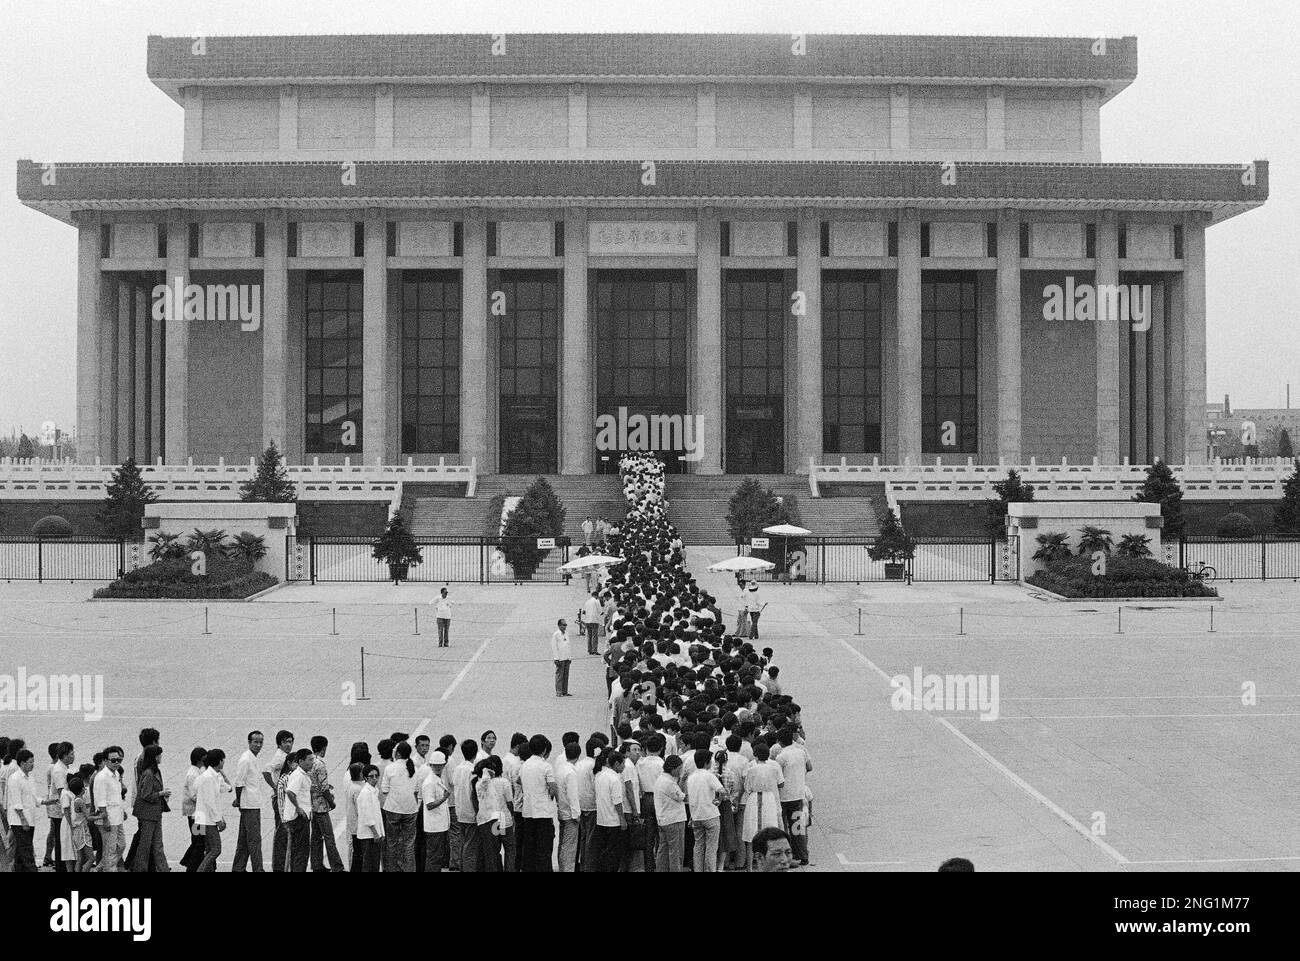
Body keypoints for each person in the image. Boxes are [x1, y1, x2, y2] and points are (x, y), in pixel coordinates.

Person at [741, 741, 783, 871]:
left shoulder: (751, 769)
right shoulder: (774, 768)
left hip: (754, 799)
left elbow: (747, 788)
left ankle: (750, 867)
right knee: (770, 833)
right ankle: (771, 865)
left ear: (756, 756)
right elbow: (781, 784)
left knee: (750, 834)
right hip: (770, 799)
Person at [518, 734, 557, 871]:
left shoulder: (524, 765)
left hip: (528, 811)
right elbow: (553, 789)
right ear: (545, 749)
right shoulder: (546, 766)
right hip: (543, 812)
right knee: (544, 849)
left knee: (529, 848)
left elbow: (519, 782)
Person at [129, 745, 170, 872]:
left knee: (157, 845)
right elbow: (145, 794)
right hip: (148, 814)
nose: (161, 757)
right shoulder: (149, 774)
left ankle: (163, 869)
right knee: (145, 845)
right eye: (159, 755)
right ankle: (140, 869)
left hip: (155, 812)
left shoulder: (155, 771)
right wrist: (161, 794)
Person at [307, 735, 344, 872]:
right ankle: (337, 867)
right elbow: (324, 787)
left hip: (312, 805)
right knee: (329, 837)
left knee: (316, 837)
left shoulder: (310, 762)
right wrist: (332, 802)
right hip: (321, 805)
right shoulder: (320, 764)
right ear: (323, 749)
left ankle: (316, 865)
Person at [776, 728, 812, 867]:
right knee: (798, 828)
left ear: (779, 741)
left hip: (784, 797)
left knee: (783, 827)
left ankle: (786, 857)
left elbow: (778, 776)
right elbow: (809, 767)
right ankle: (803, 856)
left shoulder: (781, 756)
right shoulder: (801, 752)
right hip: (798, 794)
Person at [381, 740, 419, 871]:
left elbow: (384, 790)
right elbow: (416, 790)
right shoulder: (414, 768)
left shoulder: (390, 768)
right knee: (409, 843)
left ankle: (392, 869)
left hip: (393, 808)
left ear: (397, 753)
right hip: (410, 809)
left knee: (392, 842)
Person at [587, 747, 626, 872]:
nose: (624, 767)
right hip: (613, 821)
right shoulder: (614, 779)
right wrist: (622, 819)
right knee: (613, 854)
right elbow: (617, 802)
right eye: (623, 764)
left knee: (603, 852)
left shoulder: (599, 775)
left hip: (601, 820)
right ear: (616, 764)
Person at [231, 730, 265, 872]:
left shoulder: (253, 758)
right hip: (249, 804)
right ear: (249, 742)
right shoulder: (246, 759)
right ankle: (258, 869)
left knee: (244, 839)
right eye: (255, 742)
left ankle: (238, 867)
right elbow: (239, 782)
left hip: (252, 803)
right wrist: (238, 800)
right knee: (254, 839)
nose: (258, 745)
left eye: (260, 742)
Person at [686, 748, 724, 873]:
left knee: (698, 846)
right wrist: (718, 801)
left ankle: (698, 870)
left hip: (696, 816)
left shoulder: (691, 778)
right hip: (711, 815)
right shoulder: (709, 776)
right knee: (711, 848)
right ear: (707, 762)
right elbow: (721, 790)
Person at [262, 729, 294, 873]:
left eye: (290, 741)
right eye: (285, 742)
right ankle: (278, 866)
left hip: (282, 798)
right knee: (282, 832)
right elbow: (266, 770)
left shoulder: (284, 756)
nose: (288, 744)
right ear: (279, 743)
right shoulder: (280, 757)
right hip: (279, 799)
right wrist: (275, 787)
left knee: (283, 832)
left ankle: (280, 865)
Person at [472, 755, 510, 871]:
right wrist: (486, 771)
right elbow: (485, 780)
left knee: (495, 849)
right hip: (487, 822)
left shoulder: (490, 783)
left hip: (495, 820)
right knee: (491, 853)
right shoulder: (481, 784)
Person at [93, 746, 127, 872]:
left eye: (118, 760)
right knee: (110, 849)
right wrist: (105, 819)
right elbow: (101, 801)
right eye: (113, 760)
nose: (116, 763)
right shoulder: (102, 777)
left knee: (121, 845)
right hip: (108, 819)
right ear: (106, 761)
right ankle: (109, 869)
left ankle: (101, 867)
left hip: (117, 818)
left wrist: (122, 810)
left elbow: (116, 795)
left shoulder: (116, 774)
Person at [652, 754, 687, 873]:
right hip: (674, 820)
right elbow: (681, 796)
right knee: (676, 851)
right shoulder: (669, 783)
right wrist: (683, 780)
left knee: (663, 849)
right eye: (679, 769)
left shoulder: (661, 779)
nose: (680, 771)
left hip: (663, 819)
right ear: (672, 769)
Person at [194, 749, 226, 872]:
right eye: (223, 760)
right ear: (219, 761)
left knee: (209, 849)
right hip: (208, 819)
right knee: (216, 849)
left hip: (204, 817)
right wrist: (218, 820)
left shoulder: (210, 775)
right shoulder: (208, 777)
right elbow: (210, 802)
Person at [5, 749, 37, 872]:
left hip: (30, 819)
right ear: (23, 763)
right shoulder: (15, 778)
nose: (32, 764)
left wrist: (45, 801)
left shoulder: (30, 778)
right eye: (30, 762)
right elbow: (16, 802)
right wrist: (23, 819)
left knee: (20, 854)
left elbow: (33, 797)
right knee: (27, 851)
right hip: (19, 821)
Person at [419, 752, 450, 872]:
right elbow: (429, 805)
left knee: (437, 857)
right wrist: (444, 798)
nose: (438, 767)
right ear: (430, 765)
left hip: (440, 825)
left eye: (440, 765)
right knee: (434, 857)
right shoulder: (429, 782)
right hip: (434, 827)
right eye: (435, 765)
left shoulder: (437, 779)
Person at [452, 739, 480, 871]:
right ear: (475, 752)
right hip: (471, 813)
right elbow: (474, 794)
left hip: (459, 811)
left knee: (463, 844)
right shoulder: (473, 770)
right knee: (470, 847)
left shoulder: (457, 769)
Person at [282, 749, 312, 872]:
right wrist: (298, 808)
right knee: (301, 851)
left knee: (300, 851)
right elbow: (290, 792)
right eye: (309, 760)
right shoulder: (298, 775)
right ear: (301, 761)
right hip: (298, 818)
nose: (312, 762)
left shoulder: (303, 774)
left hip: (301, 816)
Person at [178, 746, 207, 872]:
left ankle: (188, 861)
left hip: (198, 813)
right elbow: (194, 795)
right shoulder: (193, 774)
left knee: (197, 840)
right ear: (200, 760)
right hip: (196, 814)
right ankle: (191, 865)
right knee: (199, 841)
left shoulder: (197, 772)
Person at [555, 741, 582, 873]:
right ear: (578, 755)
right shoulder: (571, 772)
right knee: (570, 847)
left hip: (562, 811)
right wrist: (577, 814)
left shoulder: (560, 769)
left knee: (563, 844)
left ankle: (562, 868)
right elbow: (573, 795)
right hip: (570, 814)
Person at [353, 765, 383, 872]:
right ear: (365, 778)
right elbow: (367, 816)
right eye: (371, 776)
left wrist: (381, 832)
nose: (375, 779)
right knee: (369, 865)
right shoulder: (365, 793)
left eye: (376, 776)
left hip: (374, 834)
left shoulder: (374, 791)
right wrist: (376, 833)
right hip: (369, 835)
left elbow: (377, 814)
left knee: (374, 864)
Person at [552, 618, 572, 697]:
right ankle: (559, 691)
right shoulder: (556, 634)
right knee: (559, 675)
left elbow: (568, 645)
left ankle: (565, 691)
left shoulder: (566, 633)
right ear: (559, 625)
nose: (565, 626)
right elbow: (554, 647)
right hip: (560, 657)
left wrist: (570, 657)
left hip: (566, 657)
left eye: (566, 625)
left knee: (566, 675)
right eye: (563, 625)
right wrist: (556, 658)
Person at [582, 590, 603, 655]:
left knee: (589, 635)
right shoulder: (597, 601)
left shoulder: (587, 602)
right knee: (594, 636)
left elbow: (584, 611)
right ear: (596, 596)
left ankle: (589, 649)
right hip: (594, 620)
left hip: (587, 620)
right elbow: (600, 611)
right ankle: (594, 650)